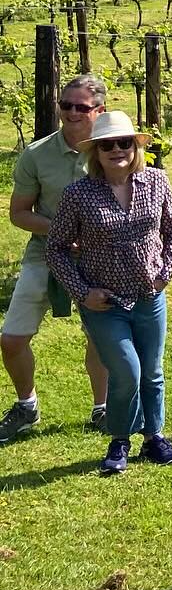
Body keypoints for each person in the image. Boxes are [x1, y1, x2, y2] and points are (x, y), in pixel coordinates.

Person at [46, 112, 172, 475]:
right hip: (104, 302)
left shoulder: (156, 181)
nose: (117, 150)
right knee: (126, 371)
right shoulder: (78, 194)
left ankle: (154, 437)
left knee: (152, 372)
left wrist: (163, 275)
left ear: (135, 147)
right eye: (107, 144)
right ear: (96, 152)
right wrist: (82, 292)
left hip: (148, 297)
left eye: (124, 142)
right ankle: (120, 438)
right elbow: (56, 248)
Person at [0, 75, 110, 444]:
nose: (72, 113)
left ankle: (103, 409)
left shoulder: (112, 149)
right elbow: (19, 213)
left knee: (101, 336)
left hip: (99, 259)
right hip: (45, 253)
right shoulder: (36, 154)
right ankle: (26, 405)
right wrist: (62, 233)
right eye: (66, 105)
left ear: (100, 111)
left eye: (82, 107)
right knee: (12, 338)